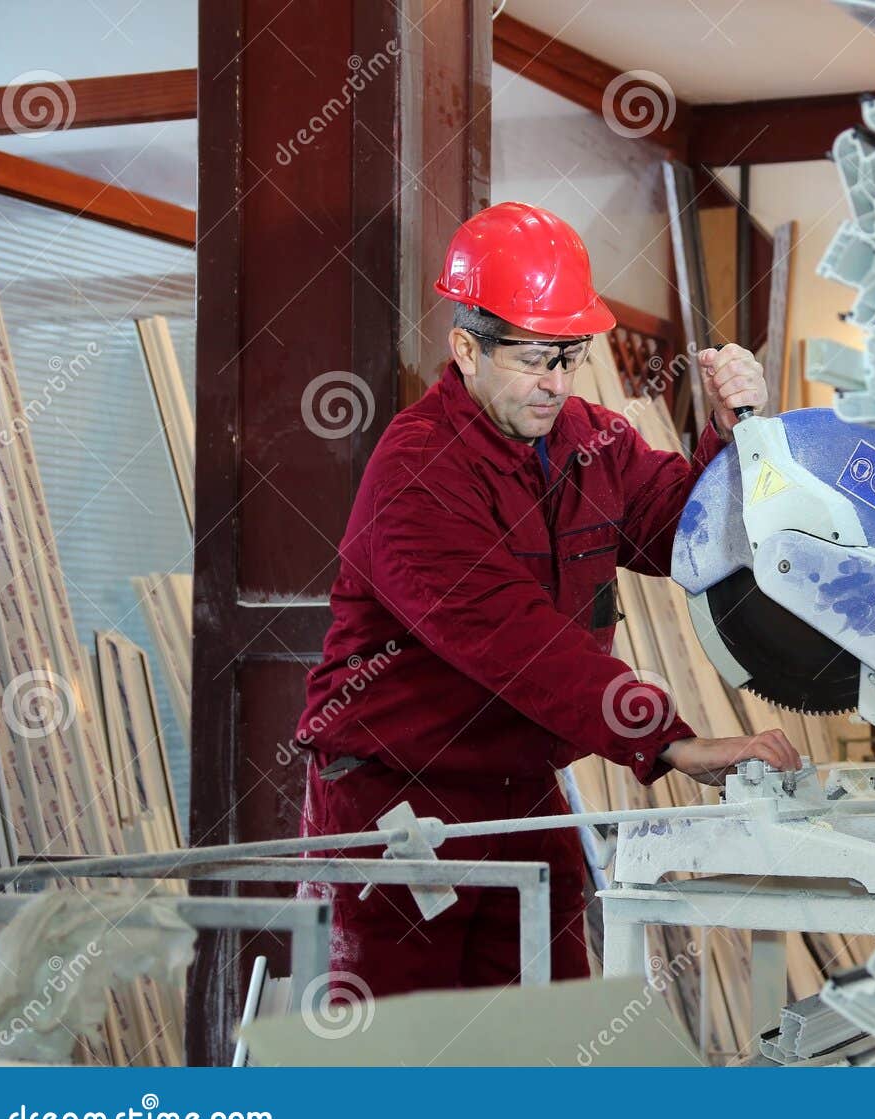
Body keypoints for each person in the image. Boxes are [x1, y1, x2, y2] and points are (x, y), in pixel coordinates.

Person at [294, 201, 799, 996]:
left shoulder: (588, 442)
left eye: (569, 356)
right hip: (396, 807)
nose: (556, 382)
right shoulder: (417, 470)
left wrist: (735, 434)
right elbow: (512, 634)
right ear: (466, 347)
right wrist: (666, 739)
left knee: (545, 1040)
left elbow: (683, 532)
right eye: (534, 358)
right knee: (393, 1065)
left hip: (520, 795)